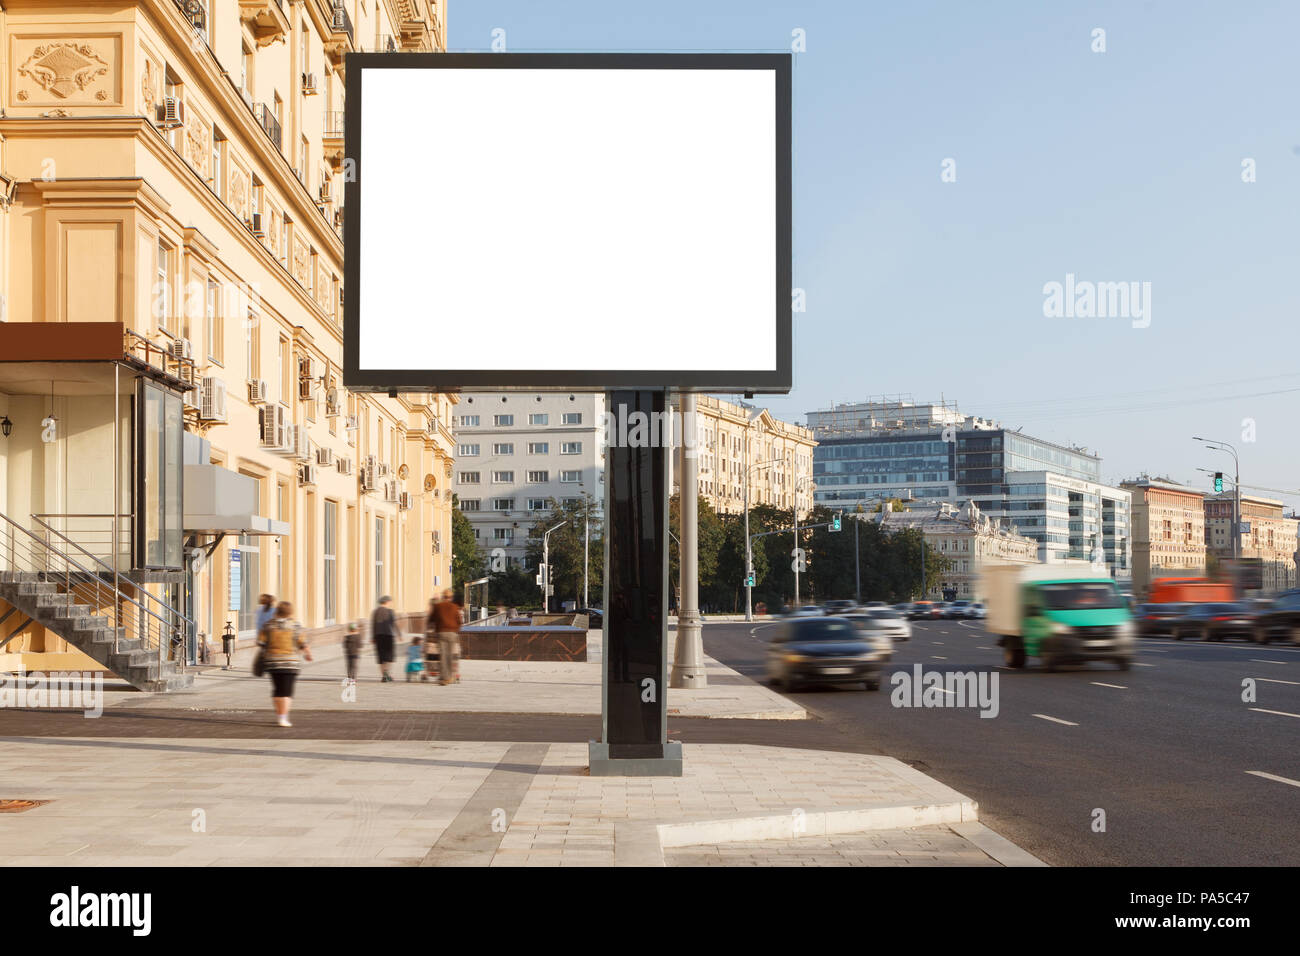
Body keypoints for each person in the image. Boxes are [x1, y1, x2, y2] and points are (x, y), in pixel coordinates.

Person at [257, 601, 311, 727]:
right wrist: (308, 654)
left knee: (277, 690)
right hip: (290, 663)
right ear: (290, 612)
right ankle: (283, 717)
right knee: (286, 692)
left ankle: (280, 714)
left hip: (272, 662)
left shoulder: (268, 625)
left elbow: (260, 642)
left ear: (277, 611)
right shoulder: (295, 626)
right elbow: (302, 643)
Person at [431, 589, 463, 685]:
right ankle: (448, 677)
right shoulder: (455, 607)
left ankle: (445, 678)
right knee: (449, 656)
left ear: (443, 597)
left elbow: (431, 619)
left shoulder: (438, 606)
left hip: (441, 633)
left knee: (443, 655)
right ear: (451, 597)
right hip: (452, 634)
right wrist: (456, 631)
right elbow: (459, 621)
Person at [371, 596, 400, 683]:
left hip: (378, 636)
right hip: (389, 635)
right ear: (387, 602)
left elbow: (373, 625)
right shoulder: (390, 611)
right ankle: (387, 673)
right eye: (390, 601)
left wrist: (373, 637)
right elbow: (394, 624)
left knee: (381, 656)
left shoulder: (375, 612)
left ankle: (384, 675)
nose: (390, 603)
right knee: (389, 656)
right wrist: (399, 634)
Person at [422, 598, 441, 682]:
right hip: (436, 639)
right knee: (437, 658)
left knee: (428, 657)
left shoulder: (430, 615)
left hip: (430, 639)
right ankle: (438, 674)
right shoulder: (440, 614)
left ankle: (426, 673)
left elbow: (426, 628)